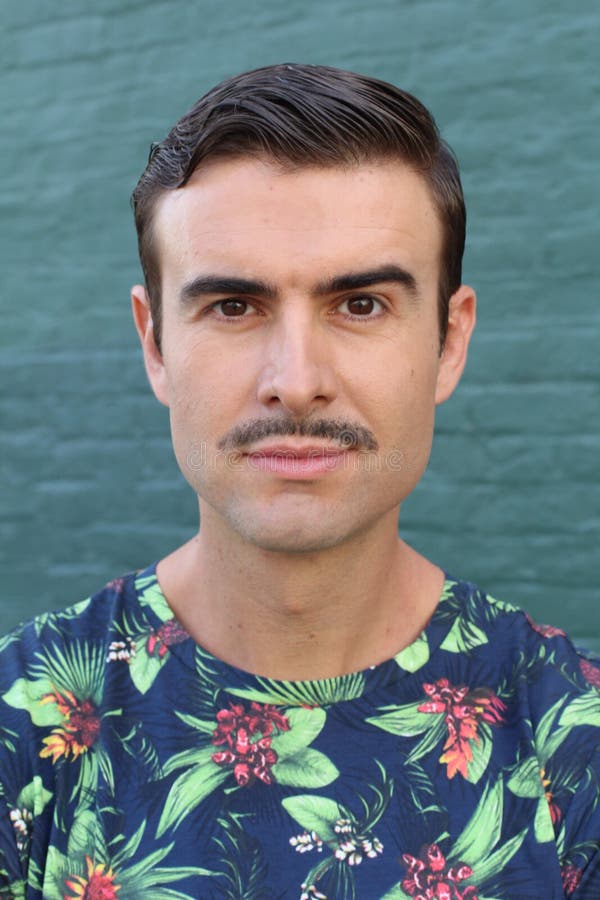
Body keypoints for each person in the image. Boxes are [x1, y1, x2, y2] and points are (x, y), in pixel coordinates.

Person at [0, 64, 598, 900]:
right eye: (234, 307)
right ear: (155, 343)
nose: (296, 379)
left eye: (360, 304)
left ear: (448, 341)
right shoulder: (24, 723)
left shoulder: (573, 739)